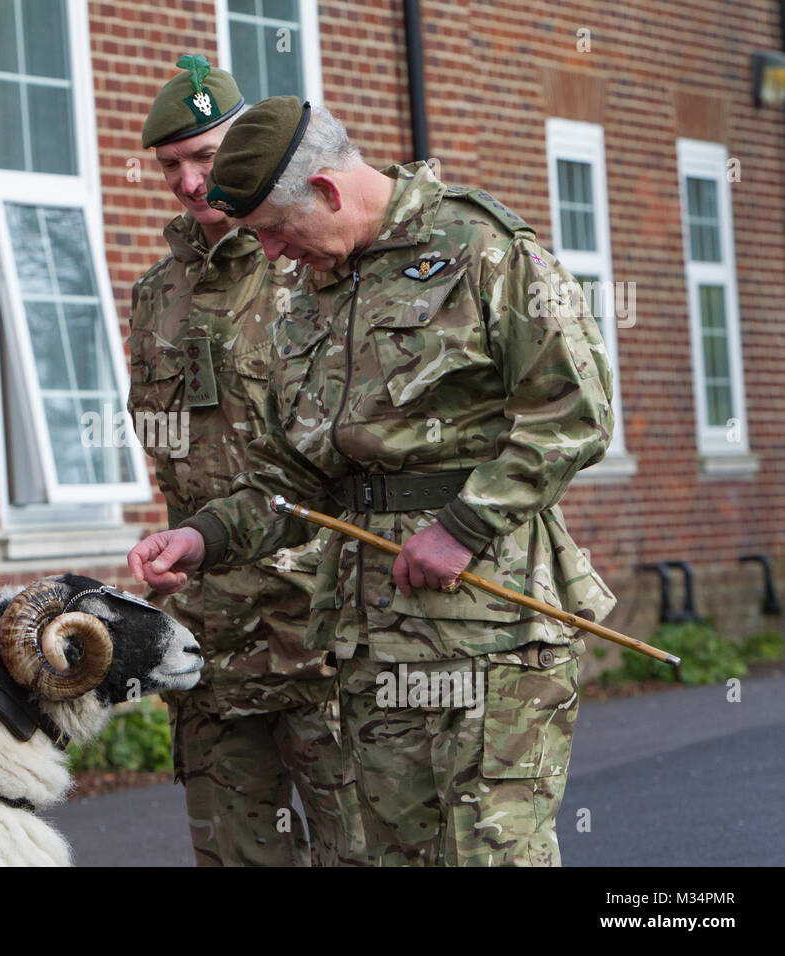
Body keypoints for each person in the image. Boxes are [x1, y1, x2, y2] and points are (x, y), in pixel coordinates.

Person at [129, 97, 617, 866]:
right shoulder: (317, 293)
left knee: (485, 856)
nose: (277, 255)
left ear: (326, 192)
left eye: (280, 232)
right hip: (364, 640)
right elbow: (297, 478)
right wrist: (203, 535)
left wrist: (462, 528)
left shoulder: (482, 249)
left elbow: (575, 411)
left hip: (486, 624)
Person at [129, 57, 365, 867]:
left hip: (324, 628)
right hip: (213, 642)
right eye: (172, 165)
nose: (192, 182)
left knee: (364, 851)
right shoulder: (155, 297)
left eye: (206, 155)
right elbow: (171, 457)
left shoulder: (315, 266)